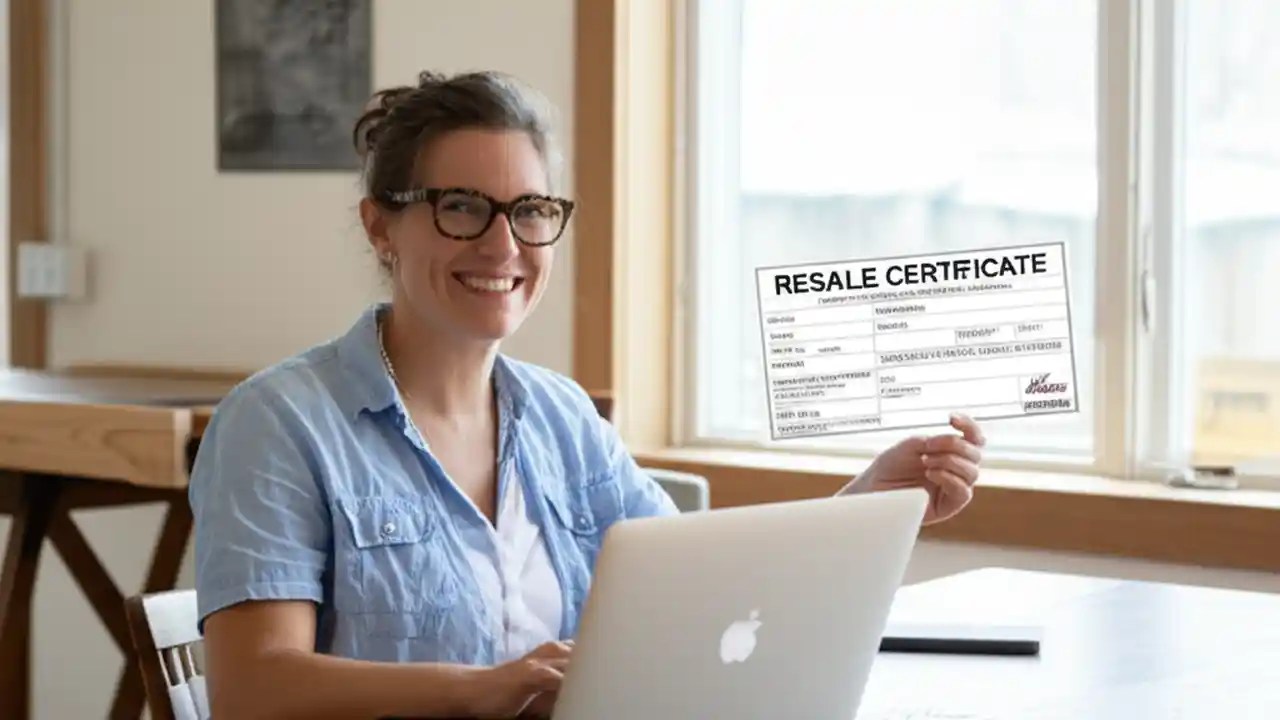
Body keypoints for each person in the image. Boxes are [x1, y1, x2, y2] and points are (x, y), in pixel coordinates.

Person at [190, 70, 987, 720]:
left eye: (531, 211)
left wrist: (871, 500)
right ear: (381, 227)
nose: (503, 245)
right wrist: (484, 689)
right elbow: (255, 688)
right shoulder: (280, 422)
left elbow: (704, 598)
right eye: (461, 207)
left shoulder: (562, 417)